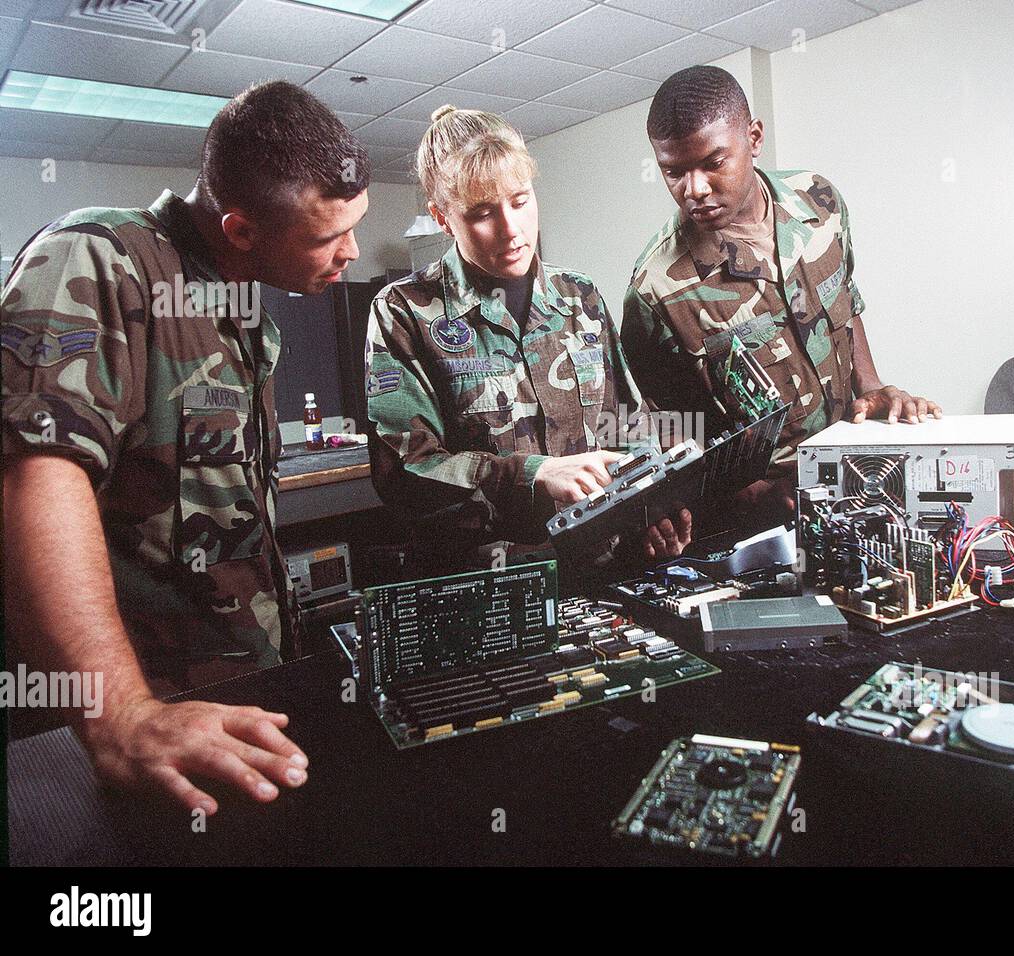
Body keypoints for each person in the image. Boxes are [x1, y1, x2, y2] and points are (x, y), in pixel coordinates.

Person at [2, 81, 371, 815]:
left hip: (232, 695)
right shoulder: (99, 257)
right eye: (328, 238)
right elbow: (31, 476)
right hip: (141, 725)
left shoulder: (242, 311)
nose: (349, 255)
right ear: (240, 229)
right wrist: (121, 718)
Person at [365, 106, 690, 566]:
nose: (511, 230)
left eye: (520, 201)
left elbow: (627, 423)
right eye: (482, 213)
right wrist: (534, 476)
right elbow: (407, 474)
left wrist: (652, 509)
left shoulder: (580, 296)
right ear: (442, 218)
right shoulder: (404, 312)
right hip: (492, 583)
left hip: (603, 567)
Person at [622, 66, 942, 526]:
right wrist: (747, 494)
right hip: (764, 514)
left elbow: (846, 305)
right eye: (673, 171)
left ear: (753, 139)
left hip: (862, 471)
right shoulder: (654, 291)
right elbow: (674, 430)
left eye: (713, 164)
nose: (694, 190)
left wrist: (871, 389)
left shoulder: (819, 200)